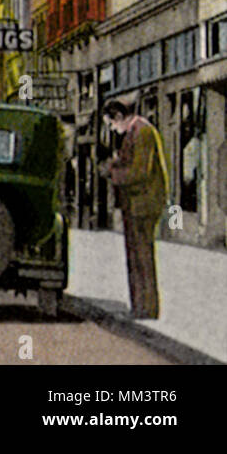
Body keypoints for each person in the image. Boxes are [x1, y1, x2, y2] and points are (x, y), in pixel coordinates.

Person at [99, 98, 170, 320]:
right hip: (136, 203)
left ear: (119, 117)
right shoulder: (135, 133)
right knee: (135, 255)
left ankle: (146, 308)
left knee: (142, 257)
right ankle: (139, 306)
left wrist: (112, 173)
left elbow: (140, 171)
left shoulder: (142, 132)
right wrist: (115, 164)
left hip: (144, 204)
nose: (112, 129)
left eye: (111, 124)